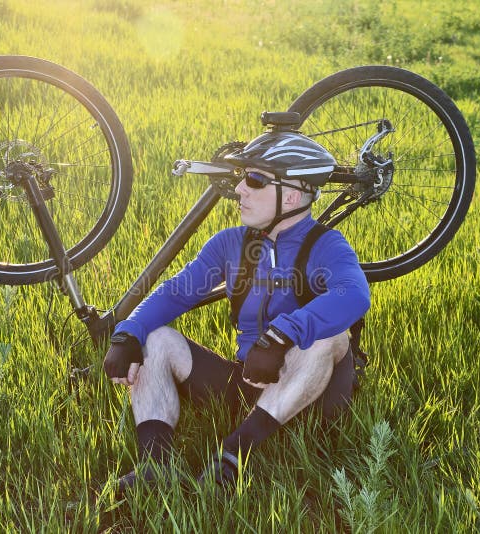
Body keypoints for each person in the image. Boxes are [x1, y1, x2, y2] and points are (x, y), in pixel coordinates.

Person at [103, 119, 371, 493]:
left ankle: (233, 454)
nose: (241, 188)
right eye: (244, 177)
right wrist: (128, 331)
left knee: (330, 338)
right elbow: (177, 291)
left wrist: (282, 336)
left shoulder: (327, 246)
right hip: (248, 380)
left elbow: (354, 295)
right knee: (156, 337)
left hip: (312, 397)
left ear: (292, 196)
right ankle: (155, 466)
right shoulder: (231, 244)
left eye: (256, 181)